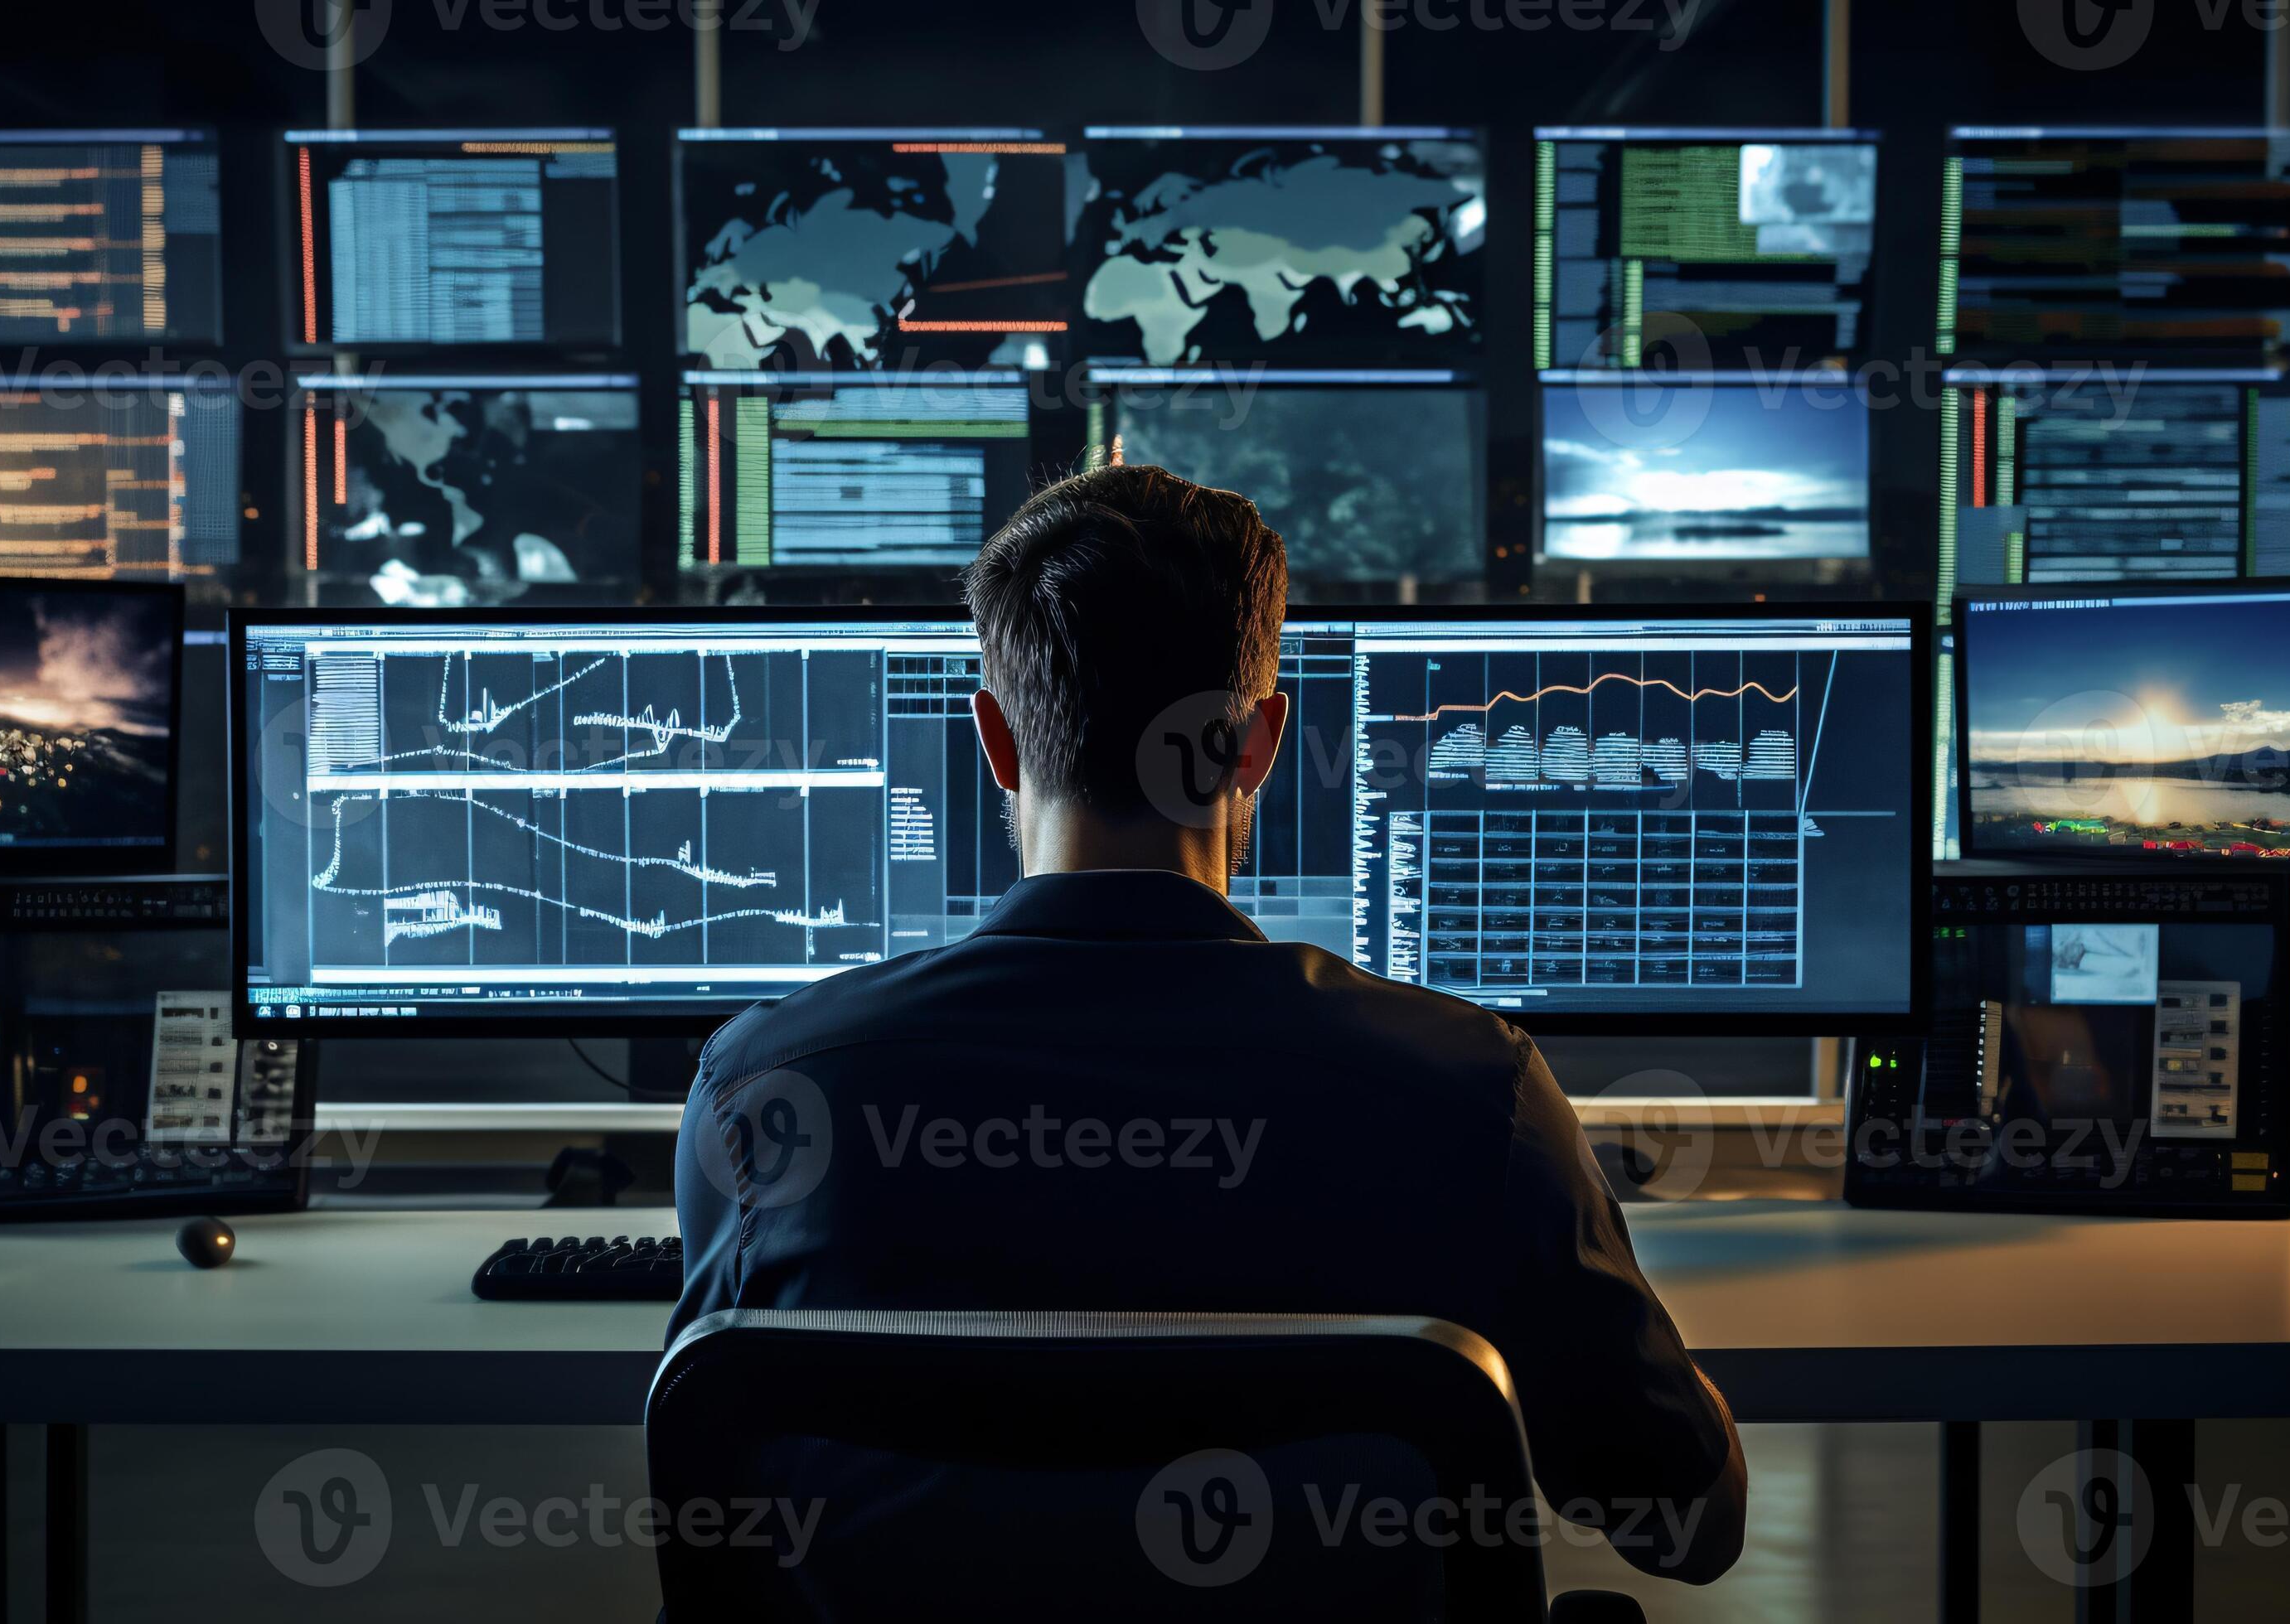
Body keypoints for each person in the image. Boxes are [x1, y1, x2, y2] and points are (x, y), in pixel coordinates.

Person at [669, 463, 1747, 1587]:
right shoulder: (1468, 1088)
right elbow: (1683, 1525)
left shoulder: (765, 1089)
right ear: (1257, 744)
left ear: (992, 739)